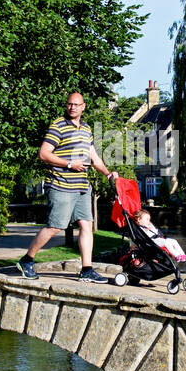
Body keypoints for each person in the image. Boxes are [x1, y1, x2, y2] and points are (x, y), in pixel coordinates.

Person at [17, 92, 117, 282]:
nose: (72, 107)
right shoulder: (58, 126)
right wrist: (69, 164)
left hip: (81, 186)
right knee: (55, 226)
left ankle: (87, 269)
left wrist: (107, 173)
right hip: (61, 184)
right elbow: (44, 154)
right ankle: (27, 260)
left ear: (83, 107)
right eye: (70, 104)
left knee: (86, 225)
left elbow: (94, 157)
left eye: (76, 104)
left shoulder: (87, 129)